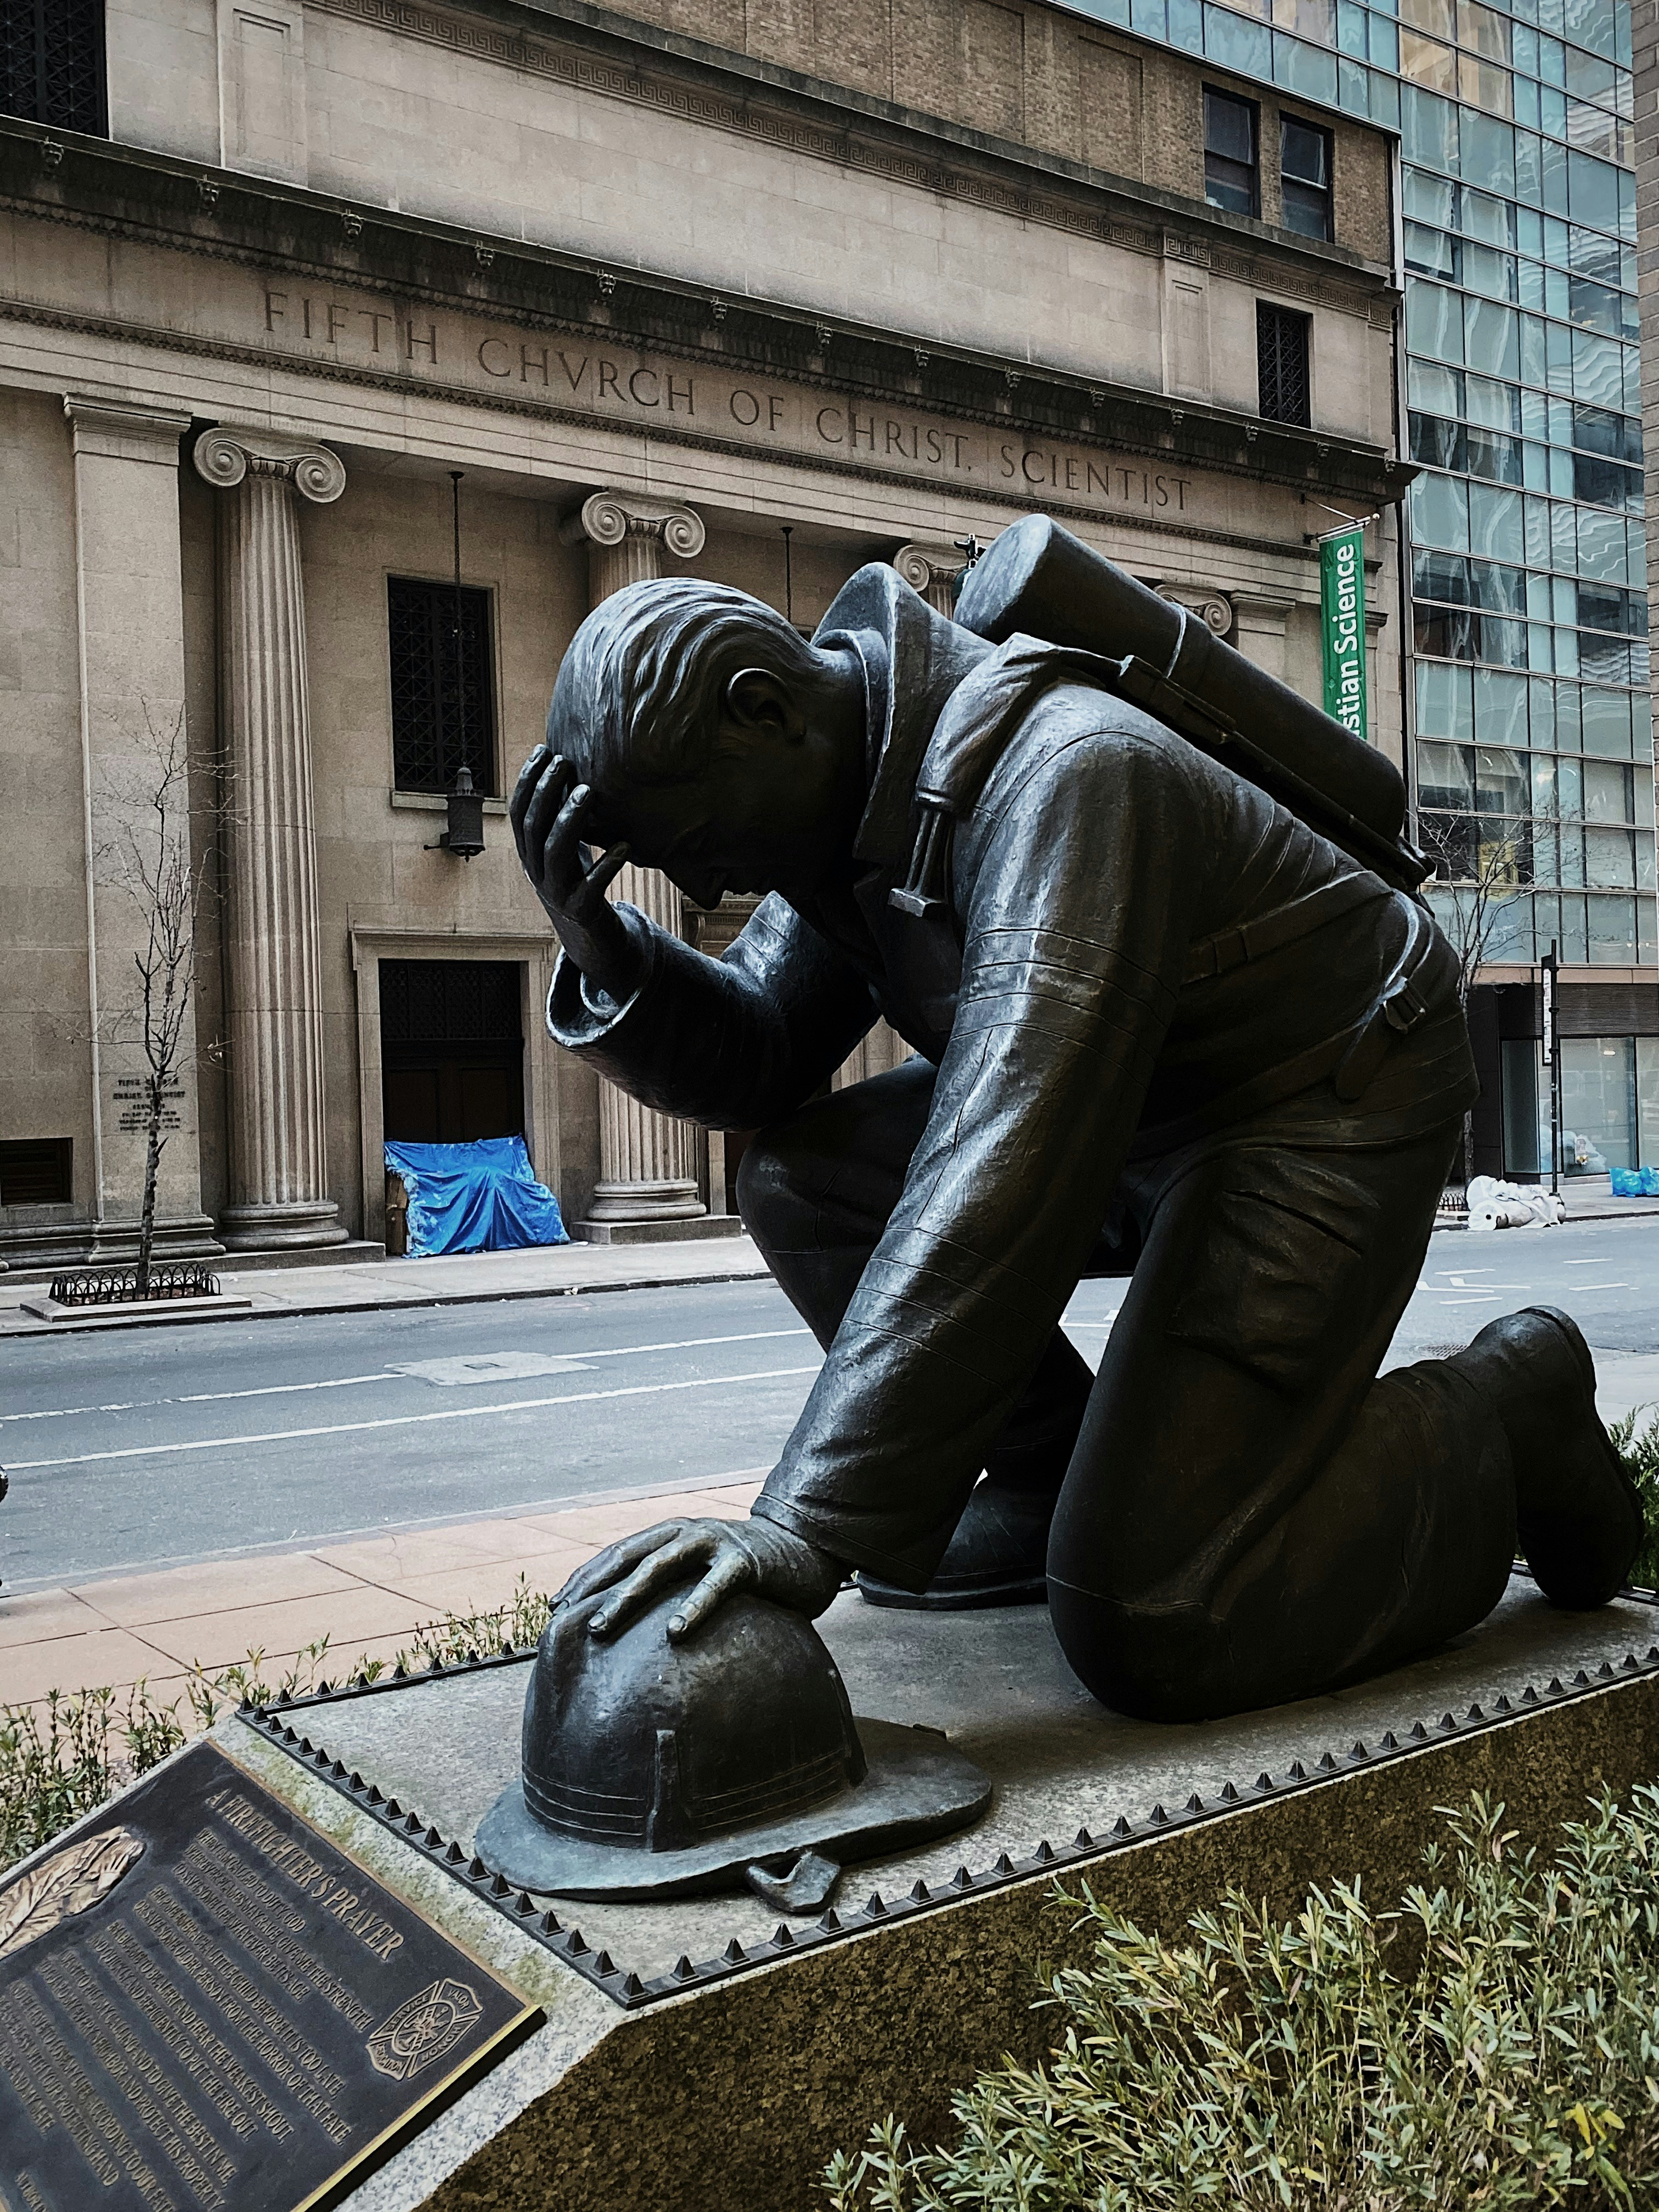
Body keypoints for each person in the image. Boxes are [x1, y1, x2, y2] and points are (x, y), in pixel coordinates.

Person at [510, 554, 1641, 1723]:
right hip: (1132, 1104)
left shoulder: (1068, 772)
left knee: (1158, 1612)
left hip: (1309, 1110)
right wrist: (609, 951)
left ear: (766, 710)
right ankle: (1046, 1484)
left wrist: (805, 1526)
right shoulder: (847, 797)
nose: (697, 886)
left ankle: (1510, 1408)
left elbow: (1007, 1163)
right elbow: (761, 1058)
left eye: (692, 841)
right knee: (804, 1175)